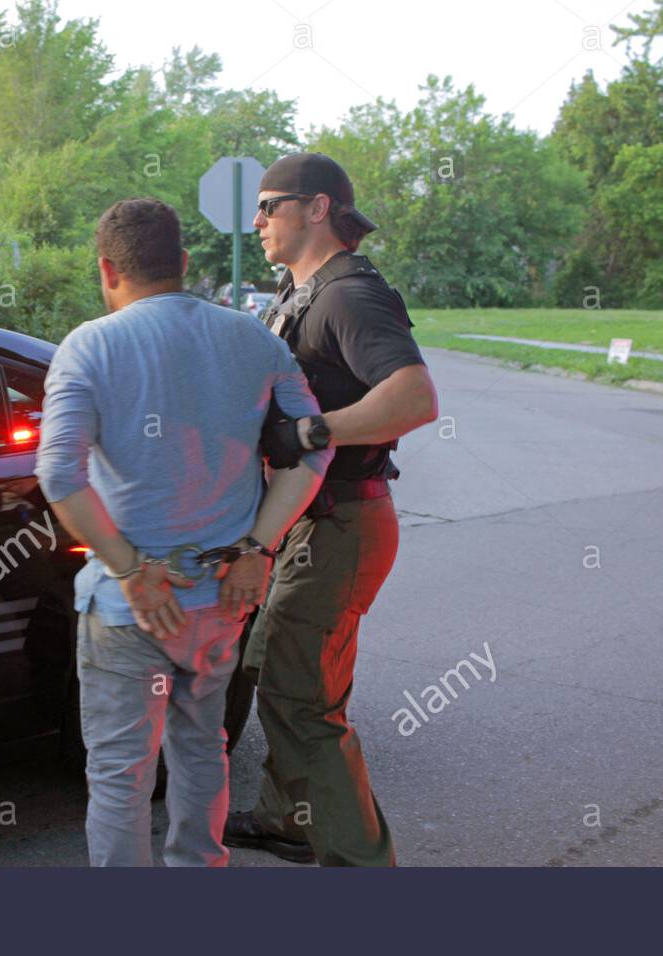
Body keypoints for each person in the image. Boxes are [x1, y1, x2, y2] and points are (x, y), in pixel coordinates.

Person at [34, 198, 333, 867]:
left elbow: (59, 475)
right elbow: (316, 448)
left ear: (108, 269)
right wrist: (259, 547)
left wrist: (130, 570)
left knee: (120, 774)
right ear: (186, 264)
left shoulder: (90, 346)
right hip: (222, 596)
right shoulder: (254, 339)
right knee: (202, 748)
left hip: (130, 609)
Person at [223, 153, 439, 867]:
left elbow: (414, 399)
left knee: (301, 698)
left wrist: (315, 432)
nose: (255, 222)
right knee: (286, 671)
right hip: (314, 524)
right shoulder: (302, 291)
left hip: (341, 524)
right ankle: (291, 818)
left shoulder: (348, 294)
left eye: (269, 206)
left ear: (317, 208)